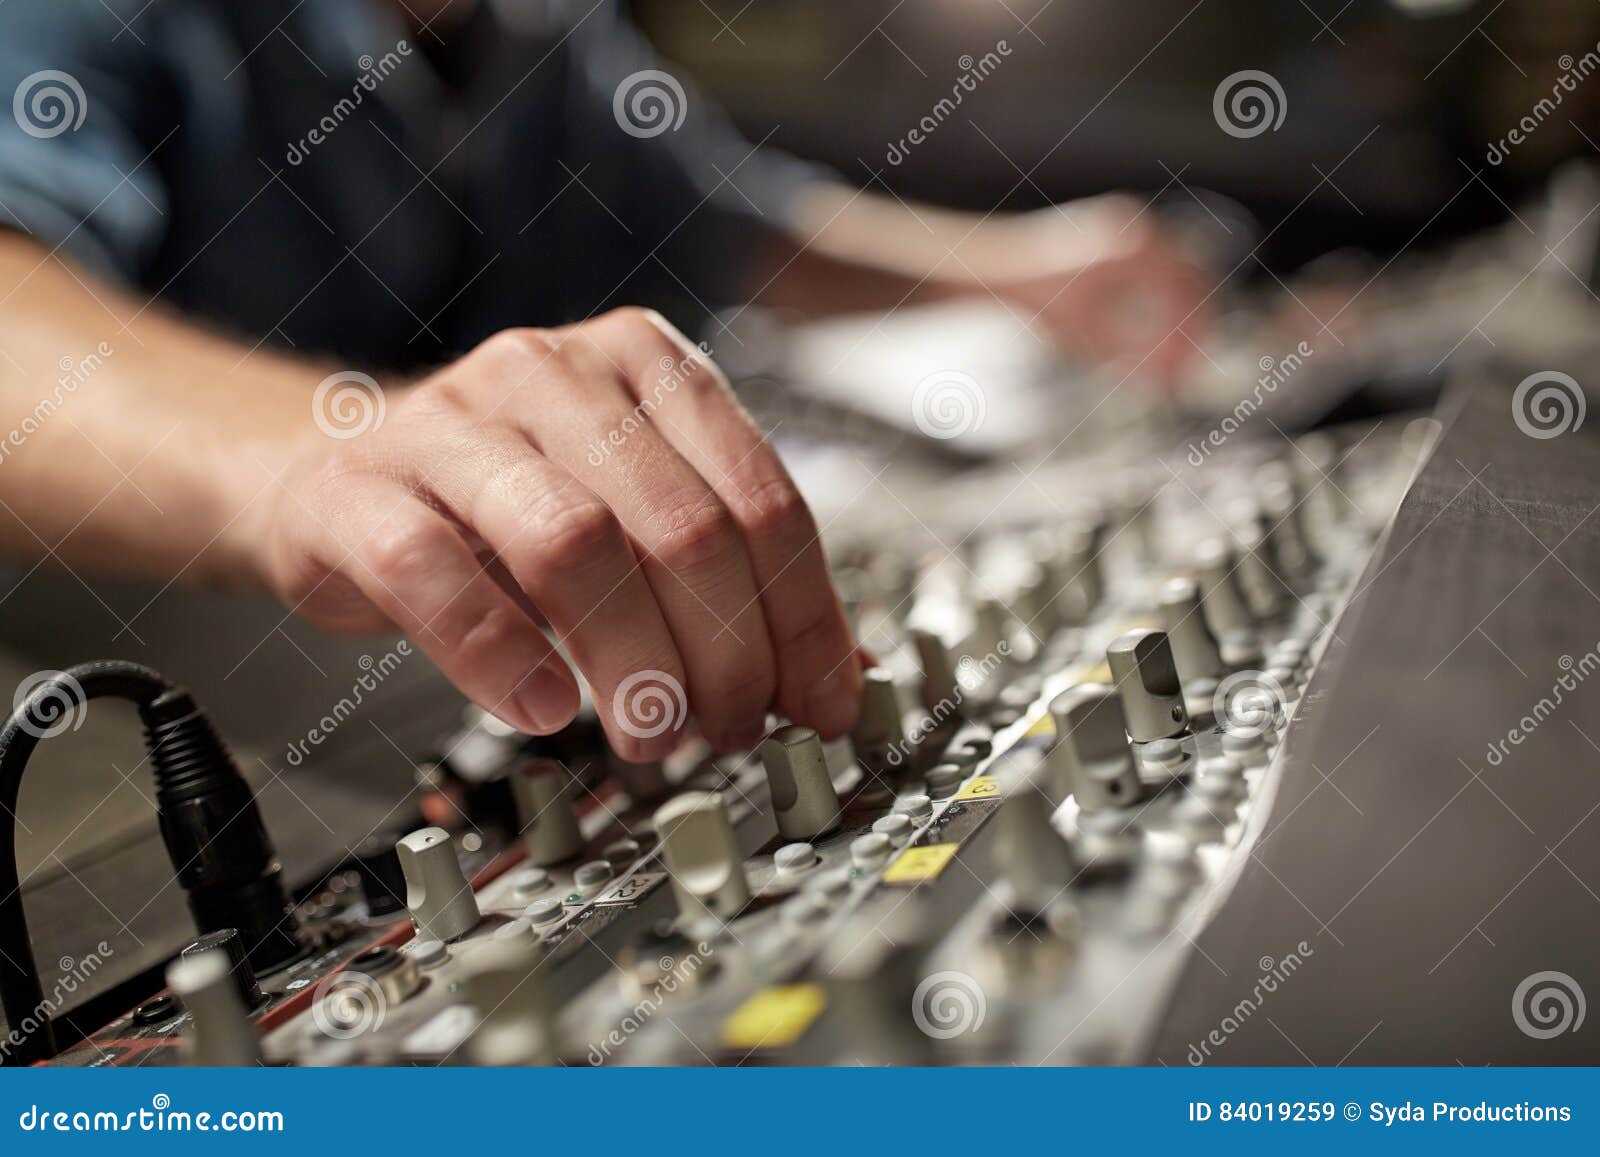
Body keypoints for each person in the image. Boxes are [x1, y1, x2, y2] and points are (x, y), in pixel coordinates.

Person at [0, 0, 1206, 762]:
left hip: (461, 727)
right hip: (176, 748)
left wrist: (1020, 270)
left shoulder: (548, 37)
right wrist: (322, 453)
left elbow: (729, 224)